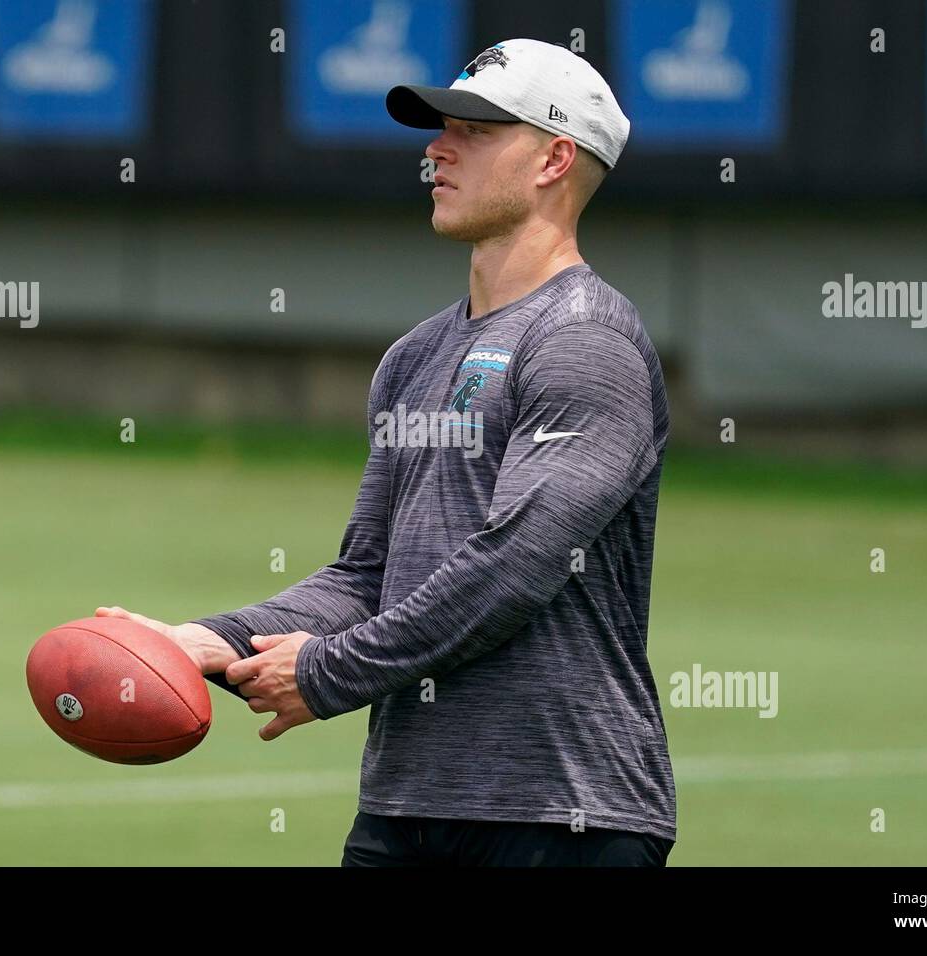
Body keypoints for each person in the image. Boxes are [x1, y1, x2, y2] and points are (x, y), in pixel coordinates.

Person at [96, 38, 674, 867]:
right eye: (441, 127)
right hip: (405, 809)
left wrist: (332, 673)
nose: (438, 147)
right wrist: (208, 640)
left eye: (475, 130)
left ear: (554, 158)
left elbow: (514, 566)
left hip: (565, 815)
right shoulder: (414, 357)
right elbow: (367, 574)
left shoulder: (587, 341)